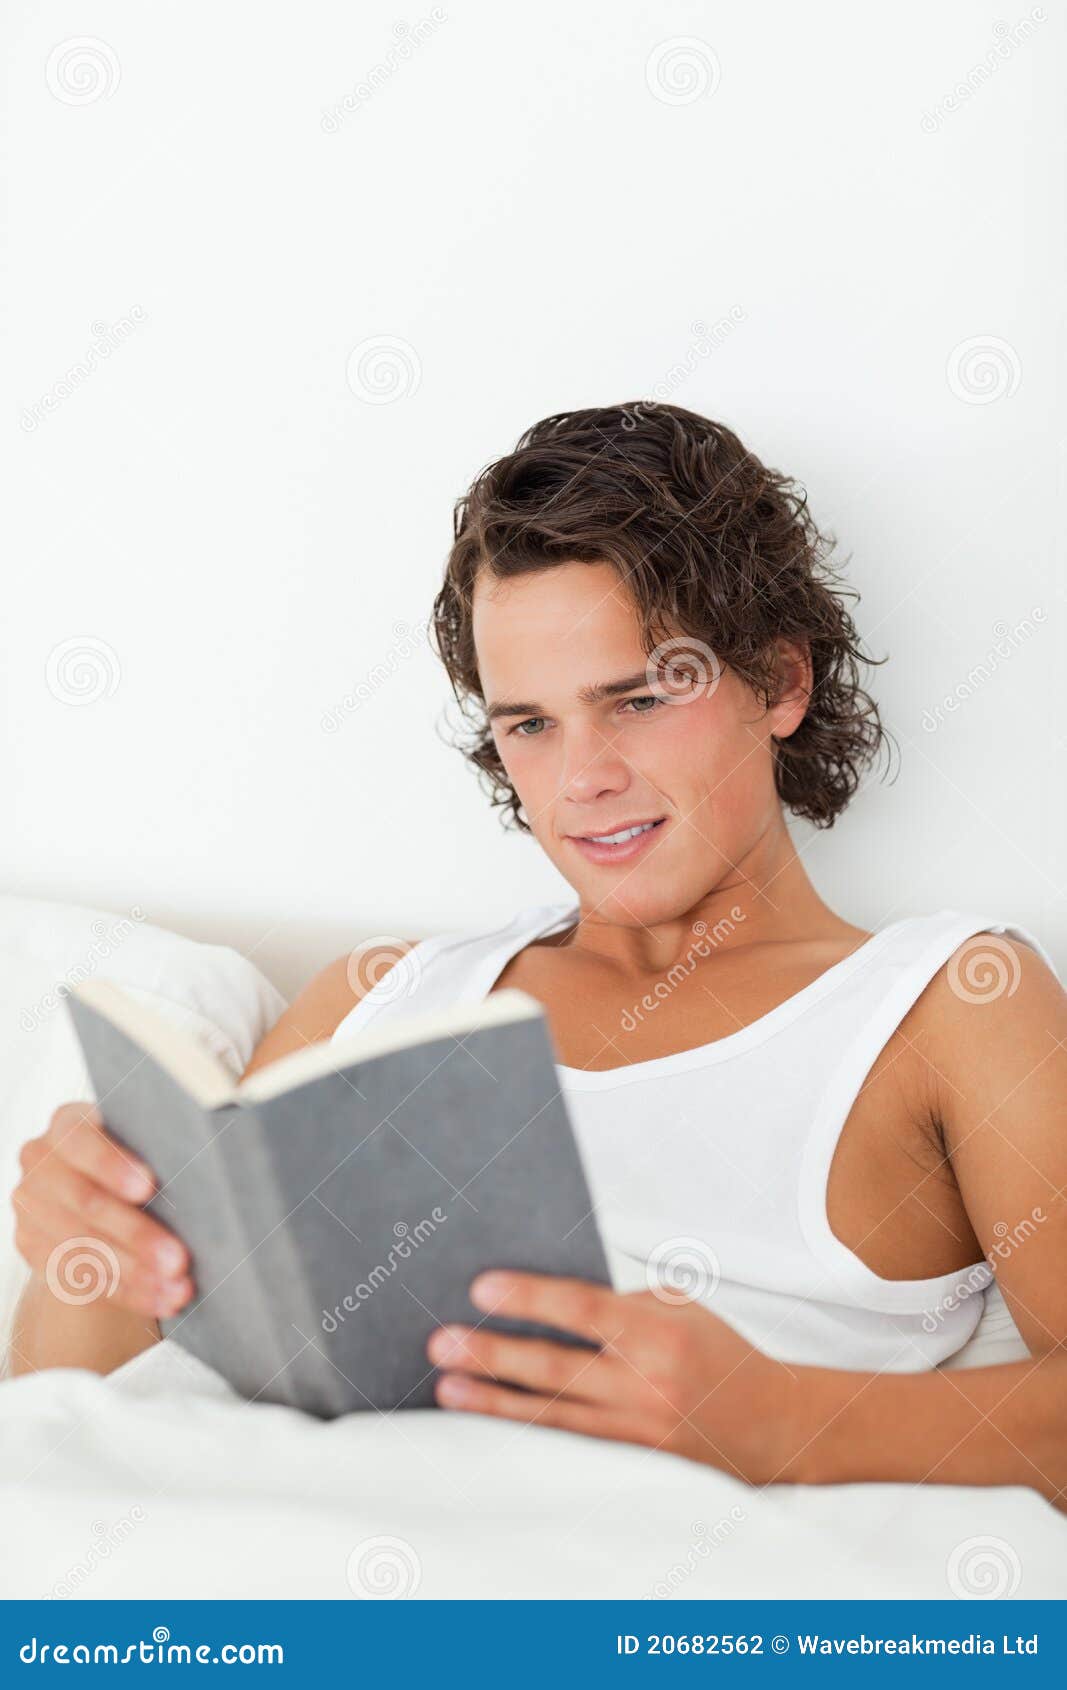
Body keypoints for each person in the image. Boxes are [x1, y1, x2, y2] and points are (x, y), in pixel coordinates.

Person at [10, 404, 1066, 1505]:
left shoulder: (945, 1005)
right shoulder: (375, 999)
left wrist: (780, 1418)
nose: (582, 779)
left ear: (781, 682)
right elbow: (57, 1422)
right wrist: (87, 1246)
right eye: (529, 724)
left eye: (639, 698)